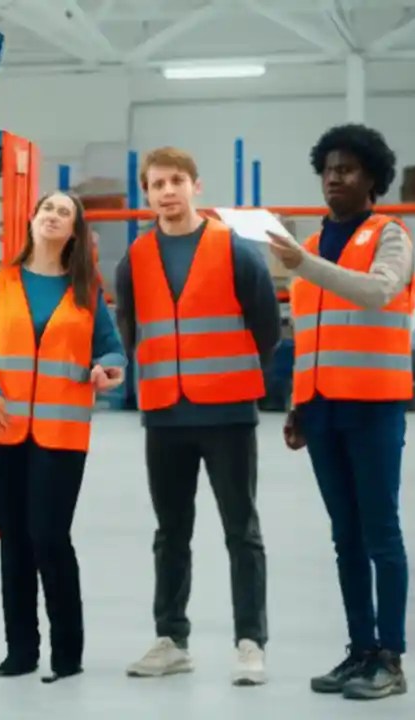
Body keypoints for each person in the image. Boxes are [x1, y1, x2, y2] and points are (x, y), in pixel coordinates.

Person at [113, 146, 280, 686]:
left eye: (176, 181)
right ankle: (171, 639)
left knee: (242, 531)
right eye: (157, 184)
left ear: (195, 186)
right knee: (171, 532)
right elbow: (130, 330)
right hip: (165, 415)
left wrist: (231, 377)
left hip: (228, 412)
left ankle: (250, 642)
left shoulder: (233, 250)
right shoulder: (134, 259)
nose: (167, 192)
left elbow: (266, 324)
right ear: (147, 193)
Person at [268, 124, 413, 701]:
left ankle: (391, 659)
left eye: (348, 169)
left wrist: (302, 262)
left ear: (373, 178)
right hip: (324, 409)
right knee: (344, 536)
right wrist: (299, 402)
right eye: (328, 168)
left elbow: (378, 292)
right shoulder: (313, 244)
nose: (334, 177)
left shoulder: (391, 235)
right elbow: (311, 335)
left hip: (374, 409)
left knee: (381, 534)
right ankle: (359, 651)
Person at [0, 191, 126, 684]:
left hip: (61, 431)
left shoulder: (86, 288)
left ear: (74, 230)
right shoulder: (0, 281)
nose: (53, 216)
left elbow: (113, 351)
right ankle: (21, 649)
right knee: (14, 540)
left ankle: (67, 652)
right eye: (47, 209)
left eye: (64, 213)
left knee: (49, 537)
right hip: (1, 426)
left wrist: (109, 370)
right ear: (32, 220)